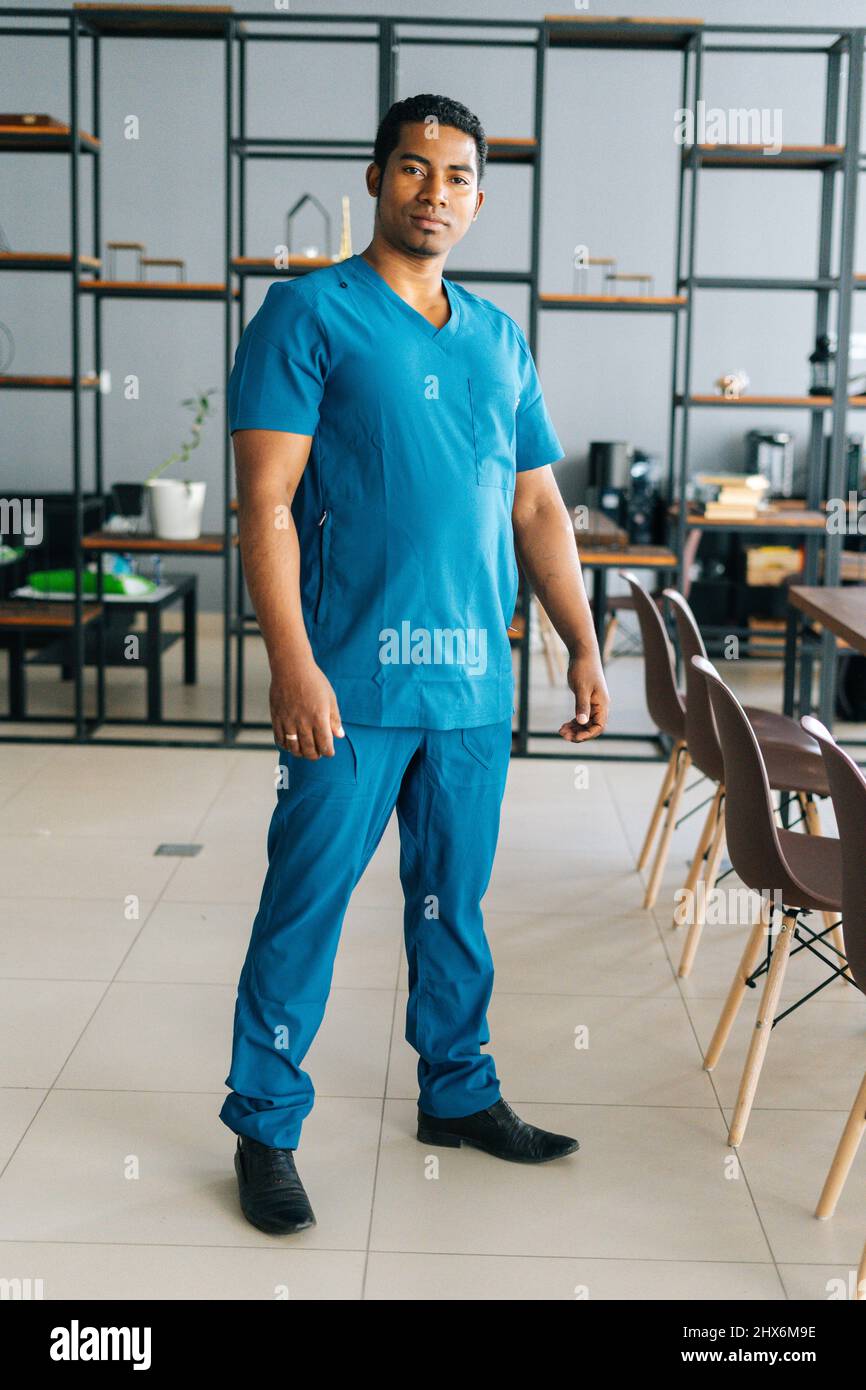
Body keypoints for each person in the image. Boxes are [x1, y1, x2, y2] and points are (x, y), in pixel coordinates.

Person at [220, 94, 610, 1236]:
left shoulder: (497, 338)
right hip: (348, 681)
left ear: (478, 199)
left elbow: (536, 507)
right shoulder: (308, 313)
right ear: (377, 179)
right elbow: (266, 502)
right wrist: (292, 665)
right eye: (412, 168)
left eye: (456, 176)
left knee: (454, 903)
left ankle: (458, 1091)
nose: (433, 192)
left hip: (472, 686)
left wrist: (582, 642)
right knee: (306, 902)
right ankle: (265, 1126)